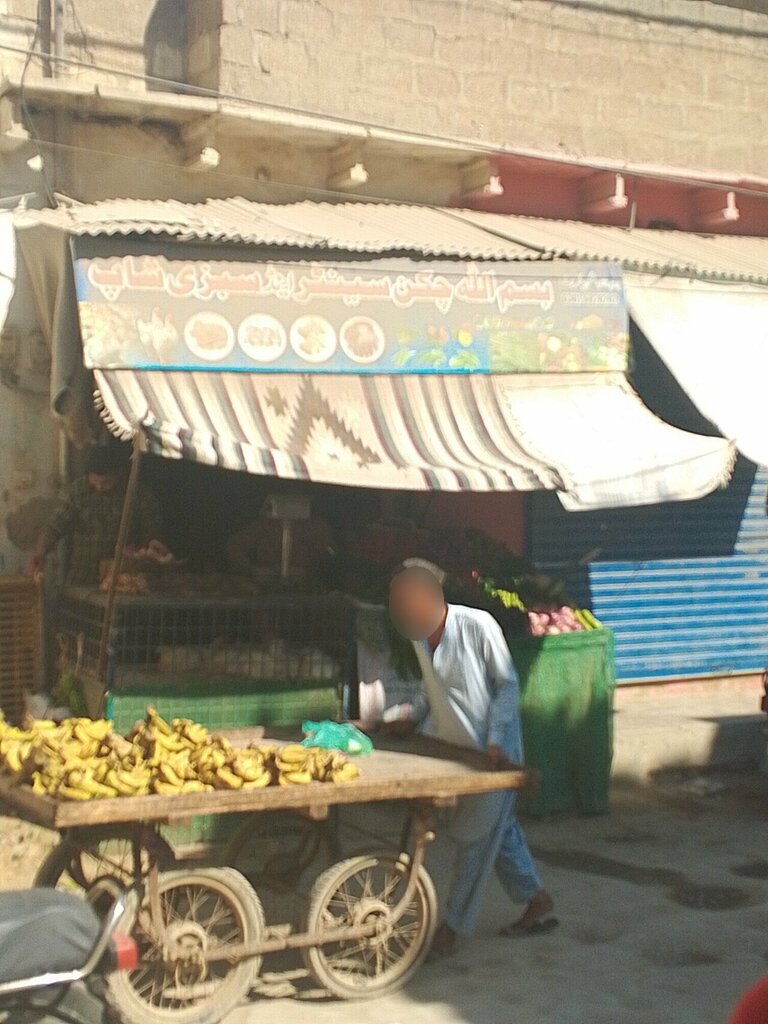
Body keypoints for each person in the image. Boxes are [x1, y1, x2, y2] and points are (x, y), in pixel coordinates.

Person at [388, 561, 556, 955]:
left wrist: (496, 740)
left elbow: (507, 685)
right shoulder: (418, 634)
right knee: (499, 832)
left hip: (493, 756)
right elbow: (429, 691)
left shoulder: (478, 626)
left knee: (476, 840)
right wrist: (408, 718)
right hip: (453, 753)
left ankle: (453, 927)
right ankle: (537, 901)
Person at [27, 444, 169, 585]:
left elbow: (152, 538)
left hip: (122, 581)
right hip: (82, 579)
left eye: (106, 482)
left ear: (119, 474)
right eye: (95, 481)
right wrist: (40, 552)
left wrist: (142, 552)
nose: (100, 486)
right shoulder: (77, 492)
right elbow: (55, 526)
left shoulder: (139, 496)